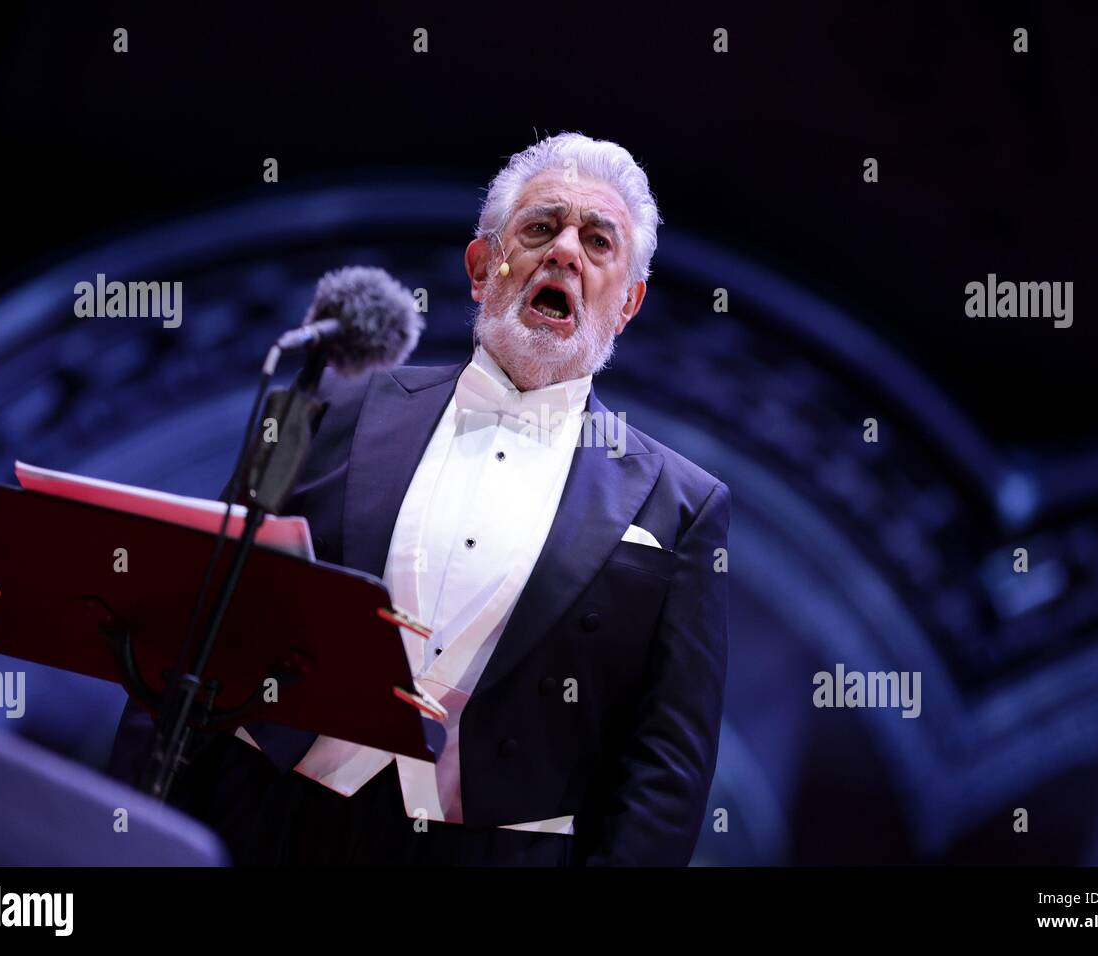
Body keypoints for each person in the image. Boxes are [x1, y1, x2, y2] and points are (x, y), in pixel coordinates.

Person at [109, 132, 731, 866]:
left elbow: (667, 768)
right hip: (266, 819)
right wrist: (123, 832)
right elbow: (193, 637)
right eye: (540, 228)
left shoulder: (681, 505)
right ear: (480, 267)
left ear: (626, 303)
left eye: (598, 242)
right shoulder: (330, 409)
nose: (564, 250)